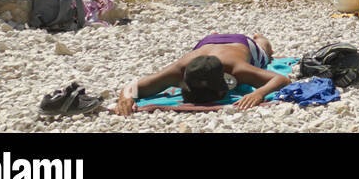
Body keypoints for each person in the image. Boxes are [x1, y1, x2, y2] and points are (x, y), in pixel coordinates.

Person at [115, 34, 289, 114]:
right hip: (205, 43)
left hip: (242, 43)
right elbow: (131, 87)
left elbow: (282, 79)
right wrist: (126, 98)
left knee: (265, 53)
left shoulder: (238, 69)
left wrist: (259, 93)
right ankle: (217, 35)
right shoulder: (178, 71)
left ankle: (260, 39)